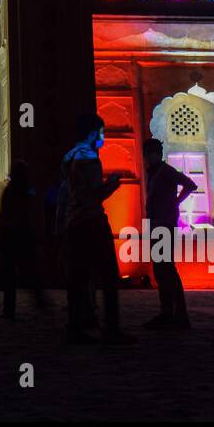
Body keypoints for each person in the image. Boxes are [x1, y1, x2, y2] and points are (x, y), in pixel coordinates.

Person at [60, 113, 134, 345]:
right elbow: (93, 195)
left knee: (77, 278)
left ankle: (74, 327)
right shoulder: (90, 158)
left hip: (73, 222)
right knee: (109, 277)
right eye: (101, 133)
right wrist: (111, 185)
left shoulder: (69, 156)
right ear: (93, 133)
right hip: (92, 222)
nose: (102, 138)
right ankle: (111, 329)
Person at [141, 138, 197, 329]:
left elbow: (190, 184)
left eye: (154, 151)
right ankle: (168, 312)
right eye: (149, 152)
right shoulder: (154, 173)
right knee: (161, 269)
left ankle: (178, 314)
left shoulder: (165, 171)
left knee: (166, 269)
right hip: (157, 224)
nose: (151, 155)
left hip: (164, 224)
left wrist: (175, 202)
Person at [0, 160, 46, 319]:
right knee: (29, 272)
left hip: (11, 235)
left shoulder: (10, 191)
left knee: (10, 275)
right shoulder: (27, 191)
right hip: (23, 235)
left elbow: (5, 214)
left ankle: (9, 309)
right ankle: (40, 302)